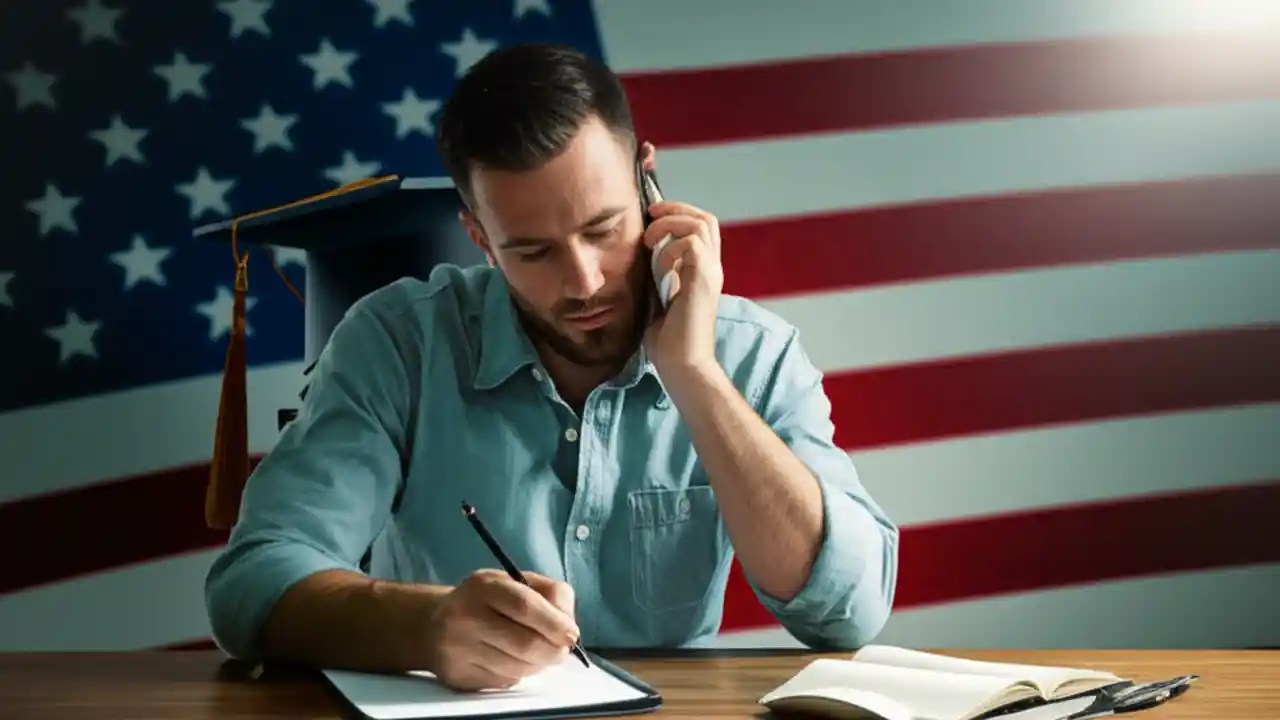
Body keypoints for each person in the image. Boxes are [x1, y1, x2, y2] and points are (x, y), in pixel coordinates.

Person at [204, 42, 899, 691]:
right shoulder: (397, 343)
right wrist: (426, 628)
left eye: (604, 229)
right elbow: (250, 583)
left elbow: (847, 612)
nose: (584, 281)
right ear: (477, 234)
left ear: (649, 184)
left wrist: (696, 375)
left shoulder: (753, 352)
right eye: (533, 252)